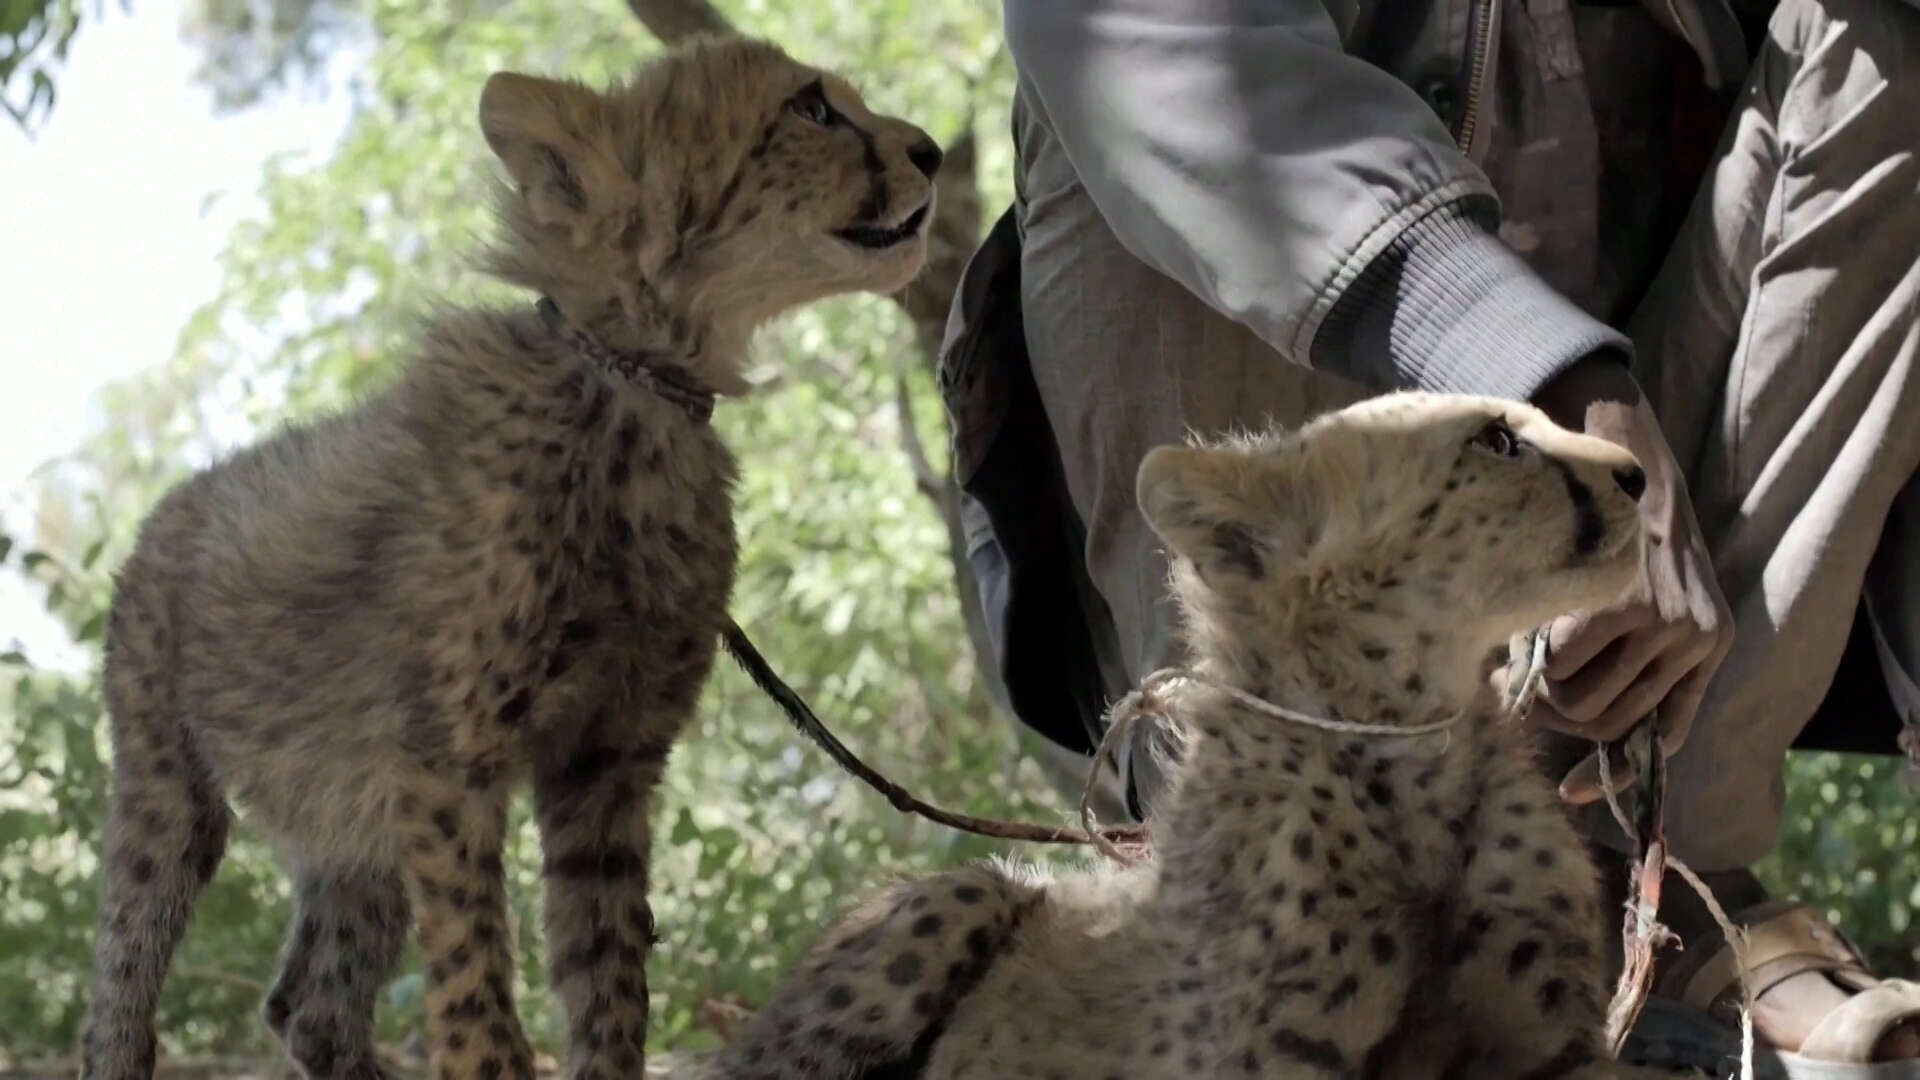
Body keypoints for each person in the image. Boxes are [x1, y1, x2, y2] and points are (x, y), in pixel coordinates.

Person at [936, 0, 1920, 1069]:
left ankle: (1666, 871)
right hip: (1311, 671)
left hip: (1638, 516)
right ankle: (1273, 897)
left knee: (1876, 43)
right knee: (1131, 77)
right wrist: (1556, 380)